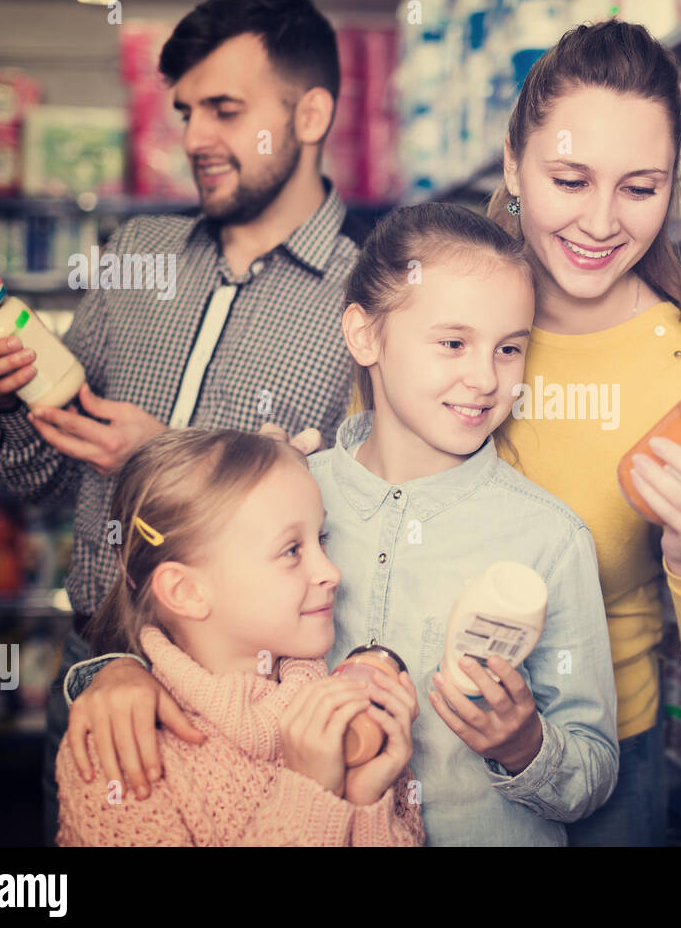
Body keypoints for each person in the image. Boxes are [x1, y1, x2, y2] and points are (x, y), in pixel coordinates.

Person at [0, 0, 360, 845]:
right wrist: (3, 394)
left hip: (264, 722)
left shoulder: (370, 297)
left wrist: (161, 456)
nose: (194, 137)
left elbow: (359, 517)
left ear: (311, 113)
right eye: (185, 112)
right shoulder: (136, 256)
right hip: (99, 690)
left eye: (225, 109)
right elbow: (39, 480)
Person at [63, 203, 619, 846]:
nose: (484, 378)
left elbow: (593, 770)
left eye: (510, 348)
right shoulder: (289, 496)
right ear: (365, 335)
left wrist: (527, 747)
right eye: (453, 342)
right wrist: (114, 669)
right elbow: (181, 627)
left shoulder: (550, 537)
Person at [486, 19, 681, 845]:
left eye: (639, 186)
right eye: (569, 178)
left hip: (605, 764)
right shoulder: (435, 307)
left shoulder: (680, 382)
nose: (600, 222)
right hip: (417, 736)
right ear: (513, 161)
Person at [56, 429, 423, 846]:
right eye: (291, 550)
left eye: (320, 539)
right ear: (186, 592)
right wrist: (310, 796)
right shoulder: (120, 758)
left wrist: (361, 799)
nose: (332, 572)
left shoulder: (347, 714)